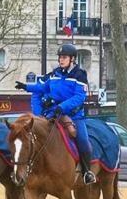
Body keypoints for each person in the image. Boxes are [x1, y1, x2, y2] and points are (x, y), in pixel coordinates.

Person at [15, 43, 96, 184]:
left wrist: (62, 107)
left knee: (83, 140)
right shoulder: (54, 74)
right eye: (60, 58)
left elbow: (79, 97)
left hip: (74, 115)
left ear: (72, 59)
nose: (61, 60)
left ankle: (86, 172)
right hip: (53, 113)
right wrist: (26, 86)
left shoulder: (80, 75)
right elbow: (42, 87)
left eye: (64, 57)